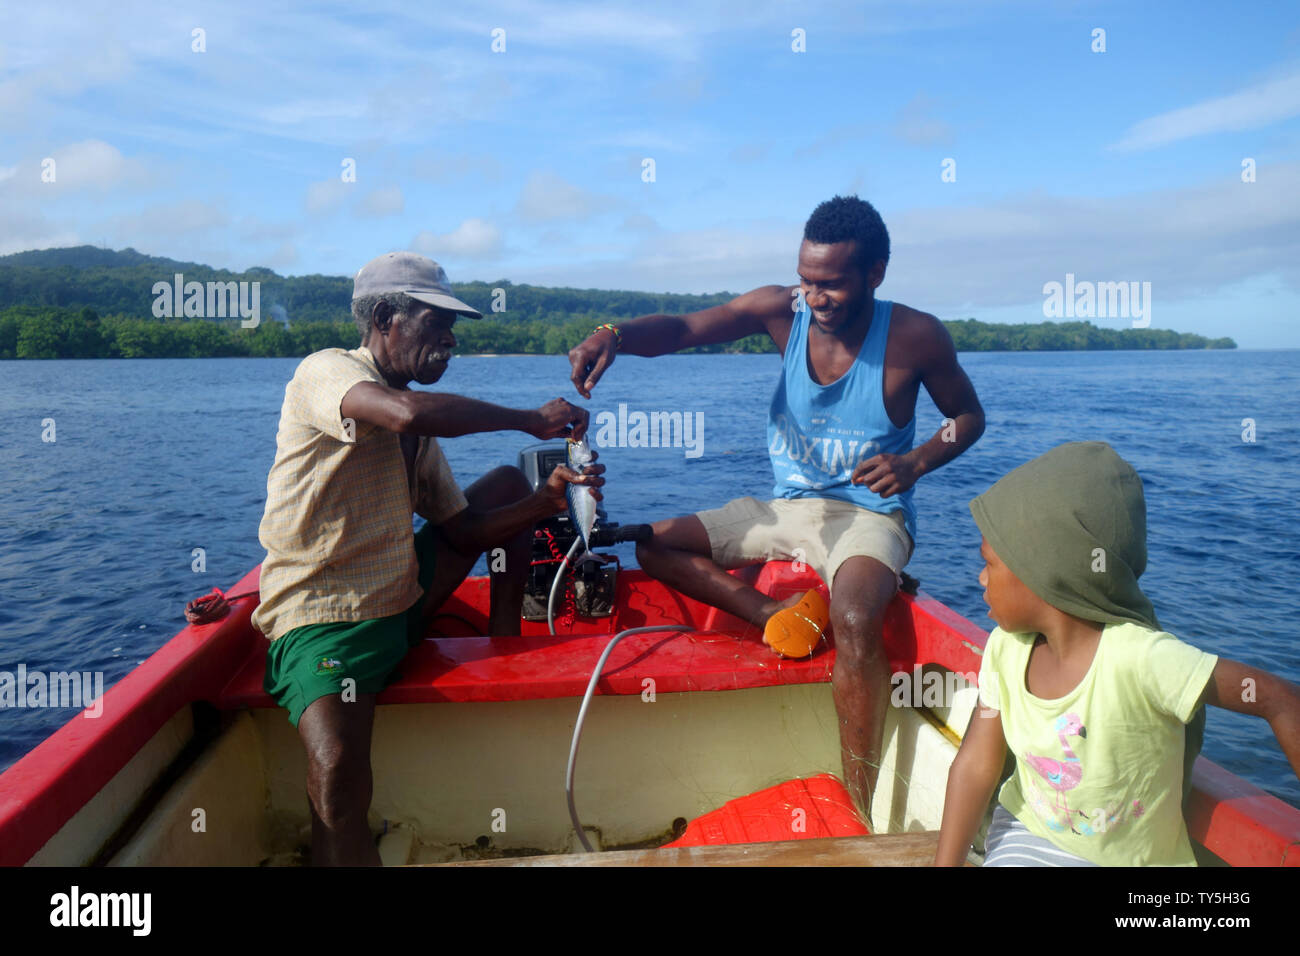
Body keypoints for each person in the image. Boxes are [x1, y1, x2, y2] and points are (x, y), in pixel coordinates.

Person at [567, 196, 986, 816]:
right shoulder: (781, 311)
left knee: (853, 619)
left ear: (876, 272)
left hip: (869, 514)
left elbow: (967, 418)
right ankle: (775, 614)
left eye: (832, 284)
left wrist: (914, 462)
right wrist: (615, 335)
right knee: (654, 542)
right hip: (787, 508)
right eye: (807, 280)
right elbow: (685, 329)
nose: (814, 298)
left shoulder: (916, 335)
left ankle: (858, 804)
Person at [252, 251, 602, 866]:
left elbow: (464, 532)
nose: (449, 339)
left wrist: (546, 504)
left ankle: (505, 644)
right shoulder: (327, 373)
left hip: (399, 601)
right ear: (386, 318)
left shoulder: (420, 428)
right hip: (324, 618)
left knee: (502, 485)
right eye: (434, 321)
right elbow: (405, 412)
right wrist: (528, 420)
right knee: (336, 773)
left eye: (453, 326)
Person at [934, 441, 1300, 866]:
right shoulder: (1004, 649)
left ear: (1043, 573)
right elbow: (978, 764)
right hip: (1026, 834)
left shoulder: (1140, 659)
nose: (980, 578)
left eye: (989, 564)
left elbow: (1277, 698)